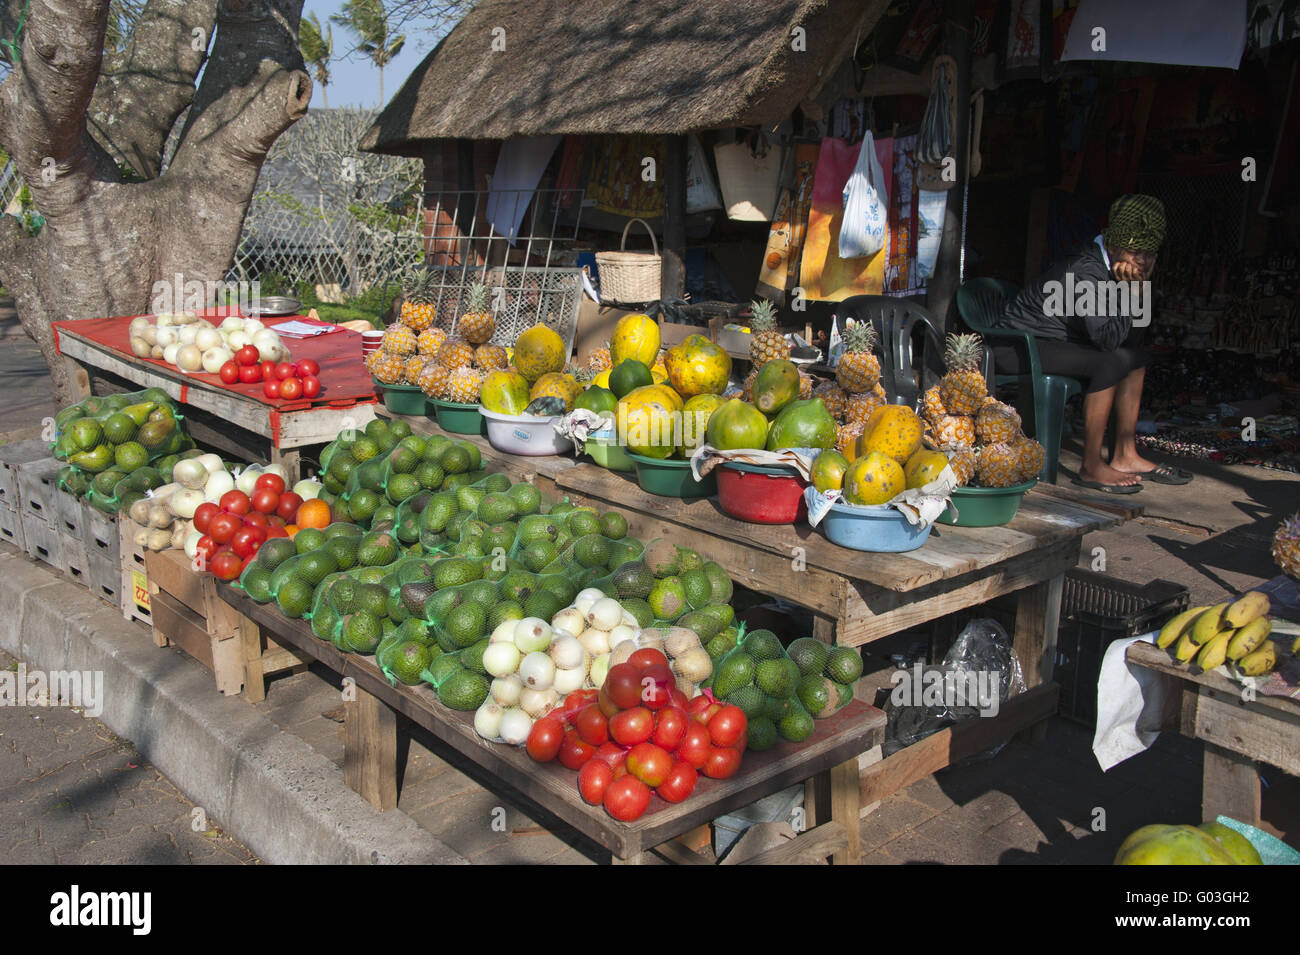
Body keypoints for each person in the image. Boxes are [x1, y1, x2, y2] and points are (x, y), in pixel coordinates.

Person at [995, 194, 1192, 493]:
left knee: (1137, 358)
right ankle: (1090, 466)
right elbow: (1109, 341)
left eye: (1149, 253)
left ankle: (1124, 454)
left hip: (1057, 342)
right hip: (1017, 347)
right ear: (1113, 244)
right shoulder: (1087, 271)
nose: (1142, 260)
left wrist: (1138, 290)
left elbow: (1132, 338)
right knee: (1111, 362)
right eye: (1134, 250)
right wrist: (1130, 293)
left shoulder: (1116, 270)